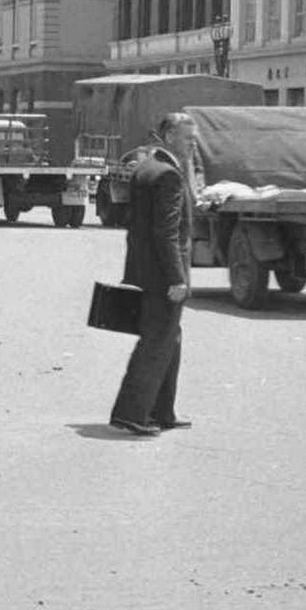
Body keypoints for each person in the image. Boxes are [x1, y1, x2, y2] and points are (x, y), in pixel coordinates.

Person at [110, 109, 201, 437]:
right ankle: (132, 414)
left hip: (145, 271)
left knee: (169, 339)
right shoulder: (168, 175)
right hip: (164, 275)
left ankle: (162, 411)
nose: (193, 145)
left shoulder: (147, 168)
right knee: (157, 341)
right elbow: (167, 232)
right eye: (188, 139)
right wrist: (177, 278)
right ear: (171, 136)